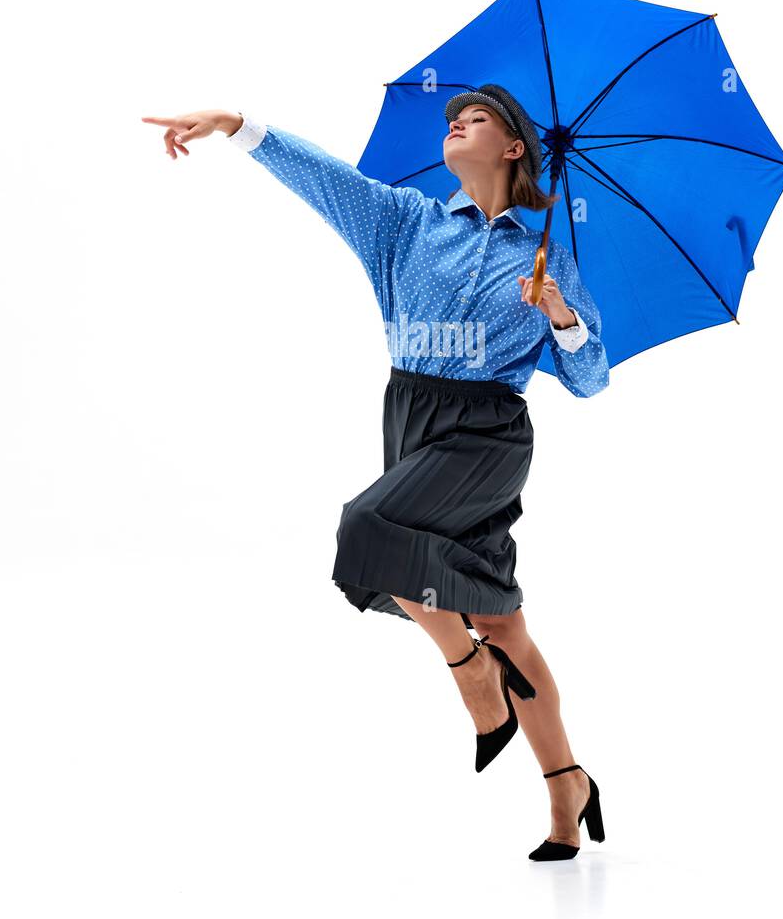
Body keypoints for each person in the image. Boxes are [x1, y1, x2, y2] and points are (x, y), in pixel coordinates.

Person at [142, 85, 609, 860]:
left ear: (514, 147)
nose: (456, 122)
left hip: (487, 433)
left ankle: (471, 677)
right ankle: (566, 781)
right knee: (497, 619)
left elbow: (590, 379)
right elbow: (325, 177)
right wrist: (236, 126)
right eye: (452, 116)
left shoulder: (546, 252)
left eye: (479, 117)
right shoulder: (405, 221)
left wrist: (560, 314)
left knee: (368, 530)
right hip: (410, 415)